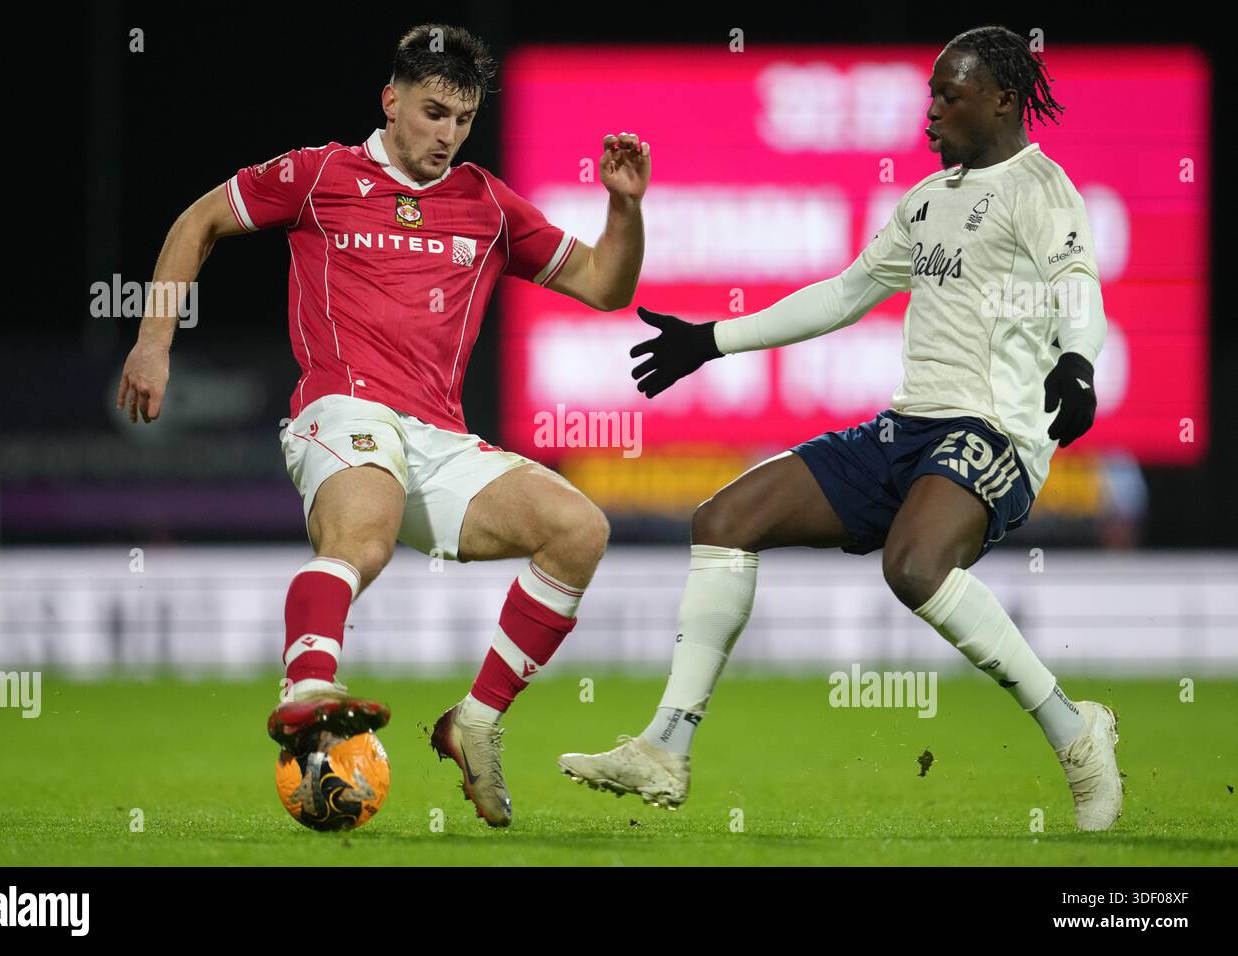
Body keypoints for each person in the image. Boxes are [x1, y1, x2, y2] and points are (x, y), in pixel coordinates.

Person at [560, 25, 1122, 831]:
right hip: (907, 428)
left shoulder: (1044, 189)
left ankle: (1077, 734)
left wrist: (1077, 362)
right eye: (929, 96)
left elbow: (1077, 285)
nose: (928, 115)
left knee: (915, 566)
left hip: (992, 434)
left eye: (948, 97)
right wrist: (709, 340)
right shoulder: (927, 201)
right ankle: (665, 745)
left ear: (1002, 99)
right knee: (723, 521)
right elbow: (843, 294)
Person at [117, 23, 650, 828]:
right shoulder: (319, 174)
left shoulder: (488, 203)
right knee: (361, 542)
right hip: (344, 407)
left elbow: (608, 285)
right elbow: (197, 223)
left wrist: (624, 206)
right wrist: (154, 342)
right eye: (434, 113)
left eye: (463, 120)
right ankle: (307, 690)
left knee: (579, 529)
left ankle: (473, 722)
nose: (448, 135)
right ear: (390, 101)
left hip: (439, 437)